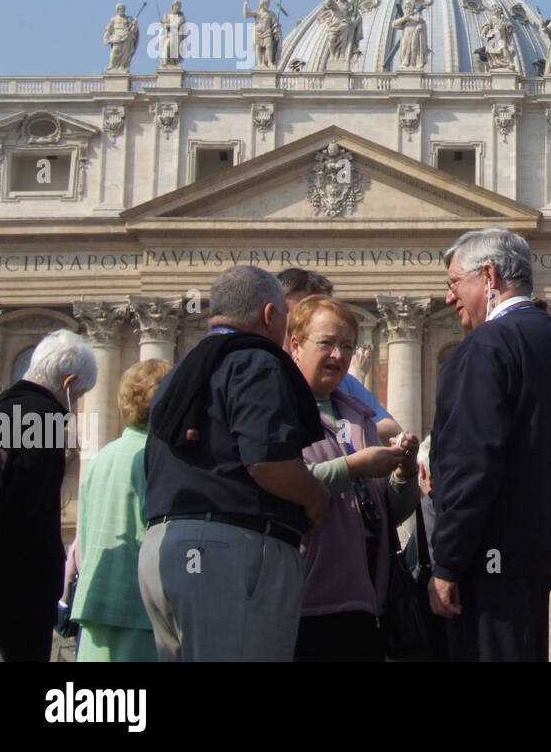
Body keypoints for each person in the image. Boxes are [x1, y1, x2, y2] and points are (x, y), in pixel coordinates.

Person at [429, 227, 551, 661]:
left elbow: (473, 463)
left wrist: (448, 563)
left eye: (455, 284)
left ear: (488, 276)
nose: (450, 299)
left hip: (496, 573)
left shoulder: (482, 349)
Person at [139, 265, 330, 662]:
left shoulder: (178, 374)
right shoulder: (255, 362)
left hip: (162, 549)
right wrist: (315, 495)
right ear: (269, 315)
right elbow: (267, 462)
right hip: (228, 551)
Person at [287, 295, 420, 661]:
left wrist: (404, 472)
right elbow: (285, 482)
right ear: (295, 345)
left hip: (365, 595)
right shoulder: (279, 408)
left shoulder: (359, 415)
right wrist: (355, 467)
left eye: (347, 346)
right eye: (327, 343)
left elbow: (389, 512)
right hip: (306, 595)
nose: (338, 355)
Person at [0, 331, 98, 661]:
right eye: (78, 395)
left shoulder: (1, 408)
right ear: (68, 383)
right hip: (21, 583)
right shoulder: (47, 417)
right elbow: (27, 503)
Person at [71, 358, 173, 661]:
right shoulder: (158, 460)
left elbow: (84, 535)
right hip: (140, 607)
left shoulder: (102, 457)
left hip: (94, 602)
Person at [277, 267, 401, 442]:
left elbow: (392, 429)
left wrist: (348, 434)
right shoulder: (269, 375)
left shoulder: (343, 381)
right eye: (307, 310)